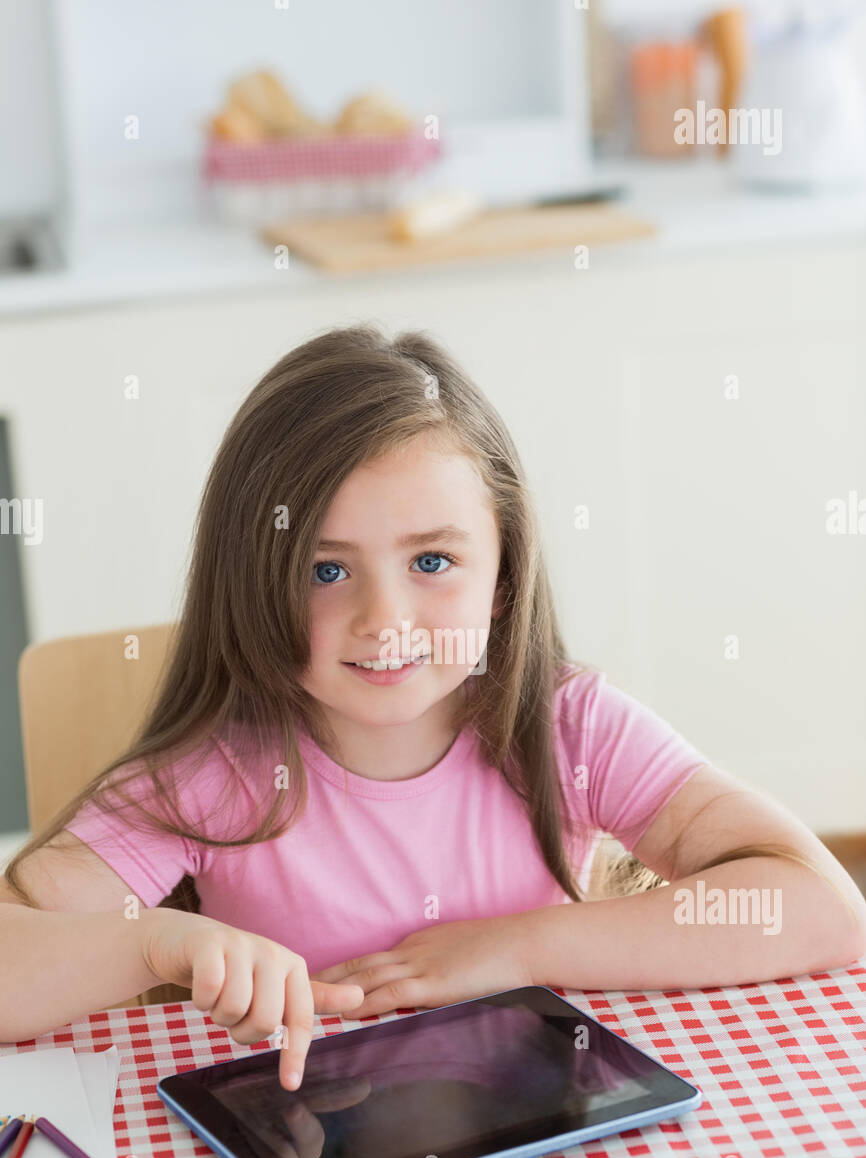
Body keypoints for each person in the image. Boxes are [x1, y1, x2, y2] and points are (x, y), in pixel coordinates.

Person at [2, 324, 863, 1094]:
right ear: (254, 584)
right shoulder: (219, 773)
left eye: (433, 562)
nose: (386, 622)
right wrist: (153, 944)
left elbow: (821, 907)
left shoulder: (569, 728)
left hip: (536, 1134)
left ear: (504, 577)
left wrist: (518, 946)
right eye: (325, 570)